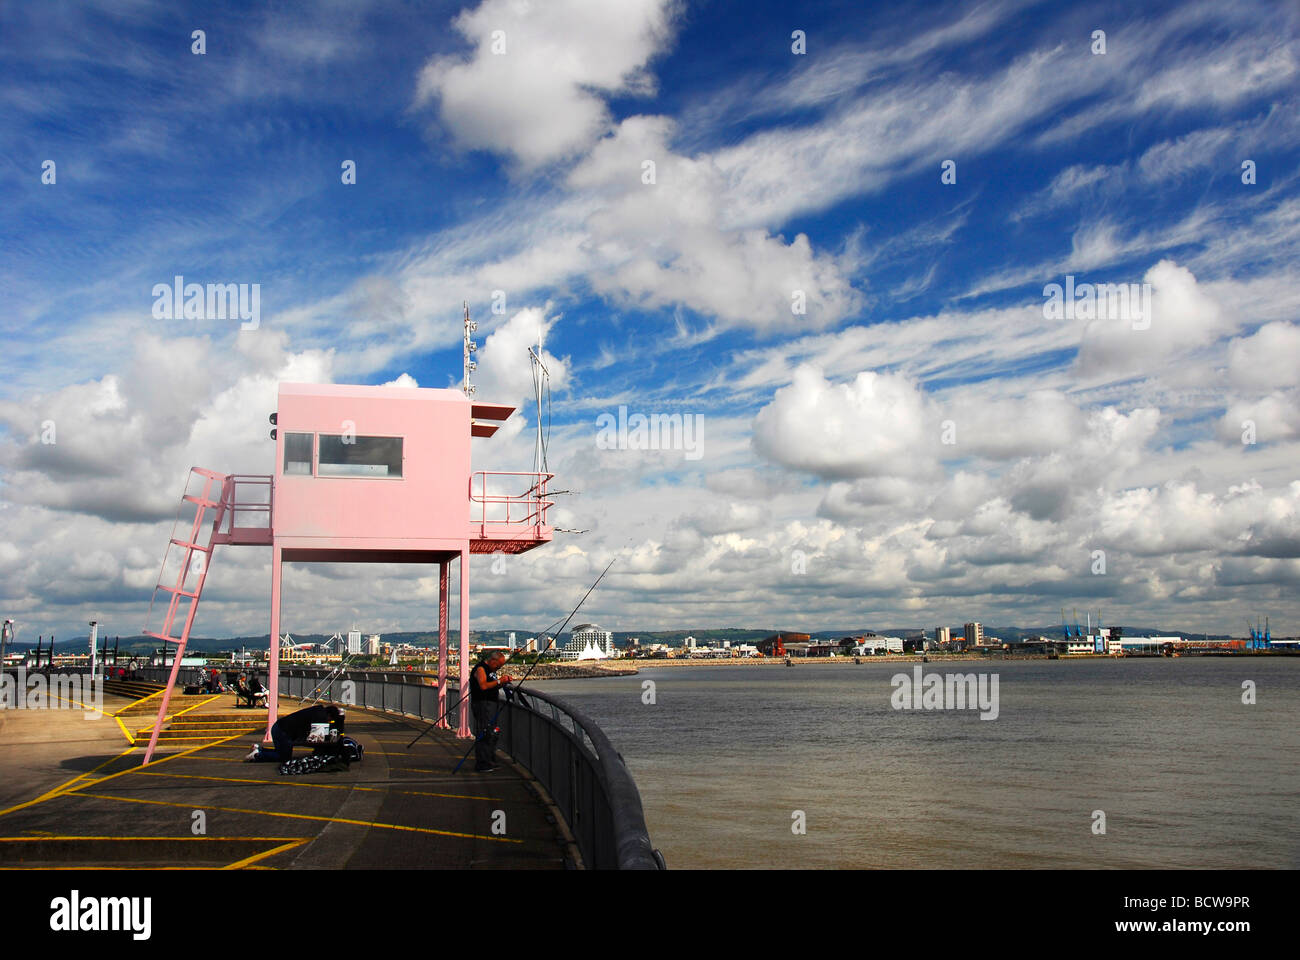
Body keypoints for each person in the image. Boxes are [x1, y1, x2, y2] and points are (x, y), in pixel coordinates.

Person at [246, 703, 344, 762]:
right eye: (330, 719)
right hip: (283, 731)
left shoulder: (318, 710)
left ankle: (259, 749)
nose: (328, 721)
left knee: (281, 752)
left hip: (279, 727)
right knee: (284, 757)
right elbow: (317, 735)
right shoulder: (320, 716)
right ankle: (257, 755)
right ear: (329, 715)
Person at [468, 651, 514, 772]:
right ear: (493, 660)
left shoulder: (491, 670)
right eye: (498, 665)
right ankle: (482, 763)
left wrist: (501, 682)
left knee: (491, 732)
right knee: (485, 731)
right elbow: (483, 686)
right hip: (483, 704)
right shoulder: (481, 669)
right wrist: (499, 681)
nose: (499, 667)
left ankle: (489, 760)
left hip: (490, 704)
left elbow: (491, 685)